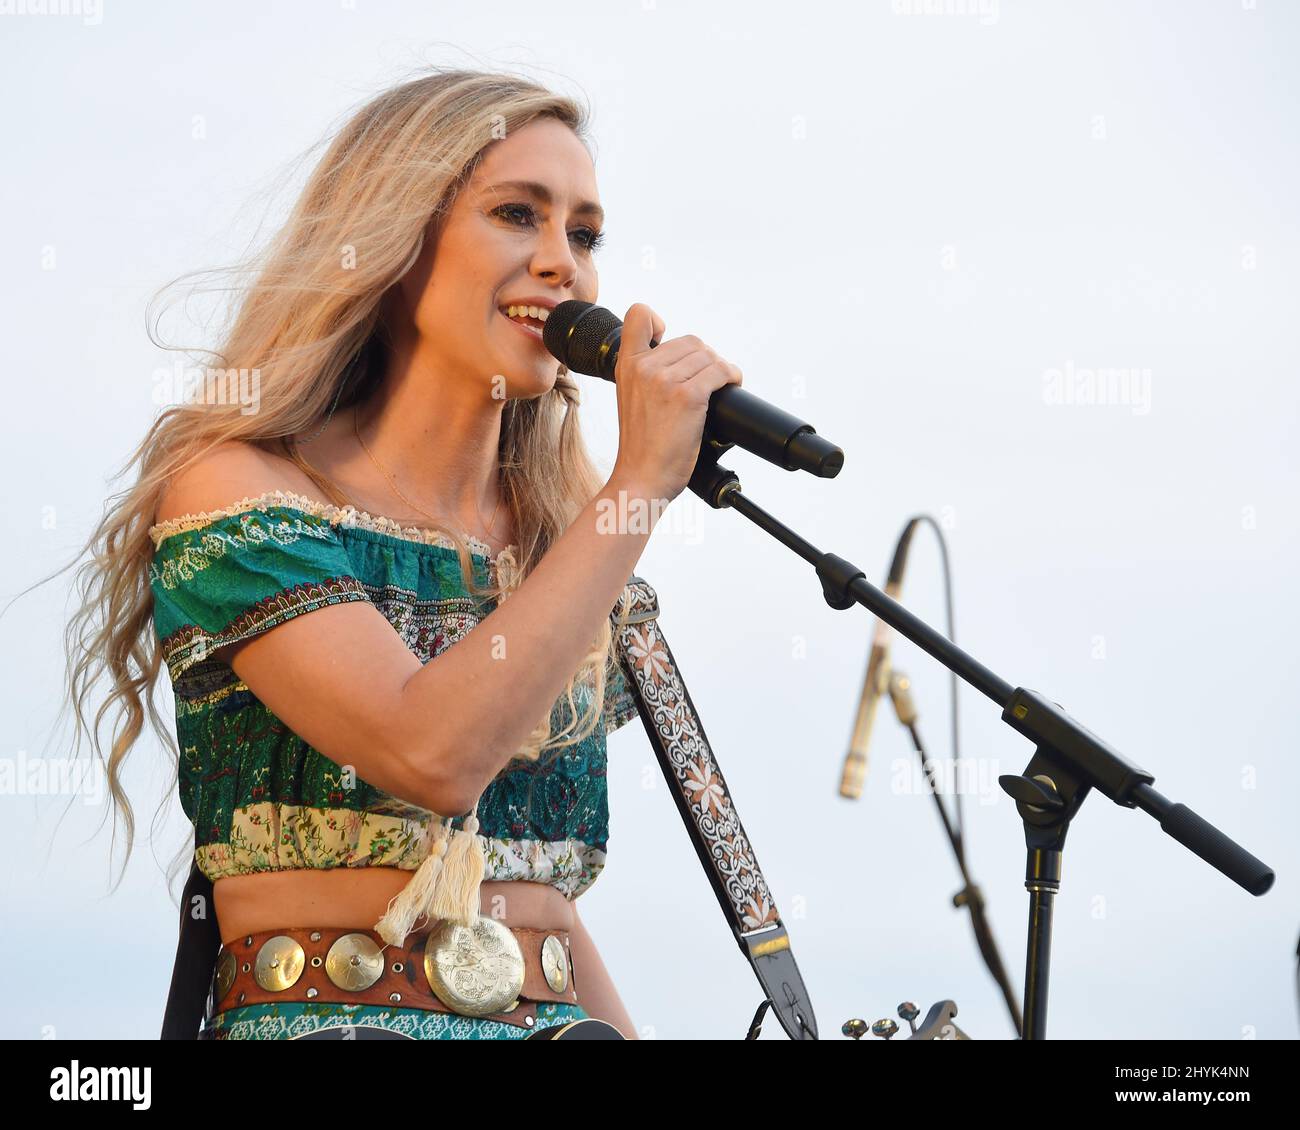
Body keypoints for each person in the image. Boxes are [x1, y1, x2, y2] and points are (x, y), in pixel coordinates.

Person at [64, 67, 742, 1040]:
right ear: (393, 238)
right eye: (518, 214)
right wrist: (636, 487)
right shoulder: (240, 491)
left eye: (584, 234)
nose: (564, 265)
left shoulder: (570, 558)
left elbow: (541, 902)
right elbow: (429, 752)